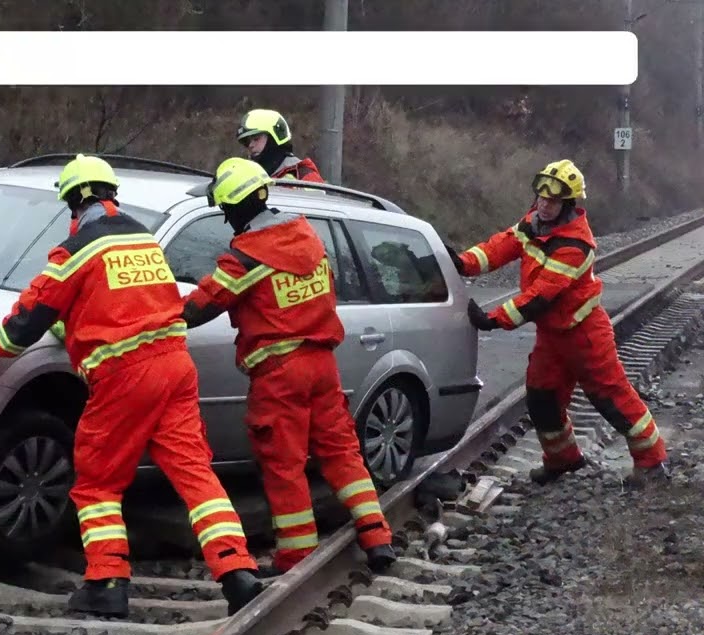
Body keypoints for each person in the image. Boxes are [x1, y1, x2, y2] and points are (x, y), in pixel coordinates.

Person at [0, 154, 265, 618]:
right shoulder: (142, 238)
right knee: (195, 475)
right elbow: (126, 302)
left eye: (69, 206)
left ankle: (107, 581)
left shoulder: (76, 249)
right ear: (109, 193)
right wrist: (77, 326)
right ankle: (238, 572)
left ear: (77, 199)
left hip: (125, 376)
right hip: (175, 368)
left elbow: (28, 321)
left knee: (97, 482)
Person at [179, 157, 397, 575]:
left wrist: (154, 314)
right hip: (322, 364)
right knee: (342, 453)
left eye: (227, 212)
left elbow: (201, 307)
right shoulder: (307, 236)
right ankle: (377, 535)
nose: (228, 222)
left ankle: (296, 555)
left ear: (235, 207)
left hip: (280, 372)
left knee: (284, 463)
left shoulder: (246, 257)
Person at [449, 159, 668, 486]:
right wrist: (463, 263)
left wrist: (493, 319)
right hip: (552, 337)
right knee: (542, 398)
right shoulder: (533, 224)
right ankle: (562, 459)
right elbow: (500, 246)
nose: (544, 205)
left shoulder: (574, 245)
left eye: (551, 201)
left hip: (585, 335)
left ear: (568, 203)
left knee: (611, 399)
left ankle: (652, 463)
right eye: (541, 198)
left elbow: (540, 296)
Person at [235, 108, 326, 183]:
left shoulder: (303, 174)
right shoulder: (246, 178)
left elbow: (319, 203)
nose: (250, 145)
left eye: (256, 138)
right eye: (246, 142)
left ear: (274, 138)